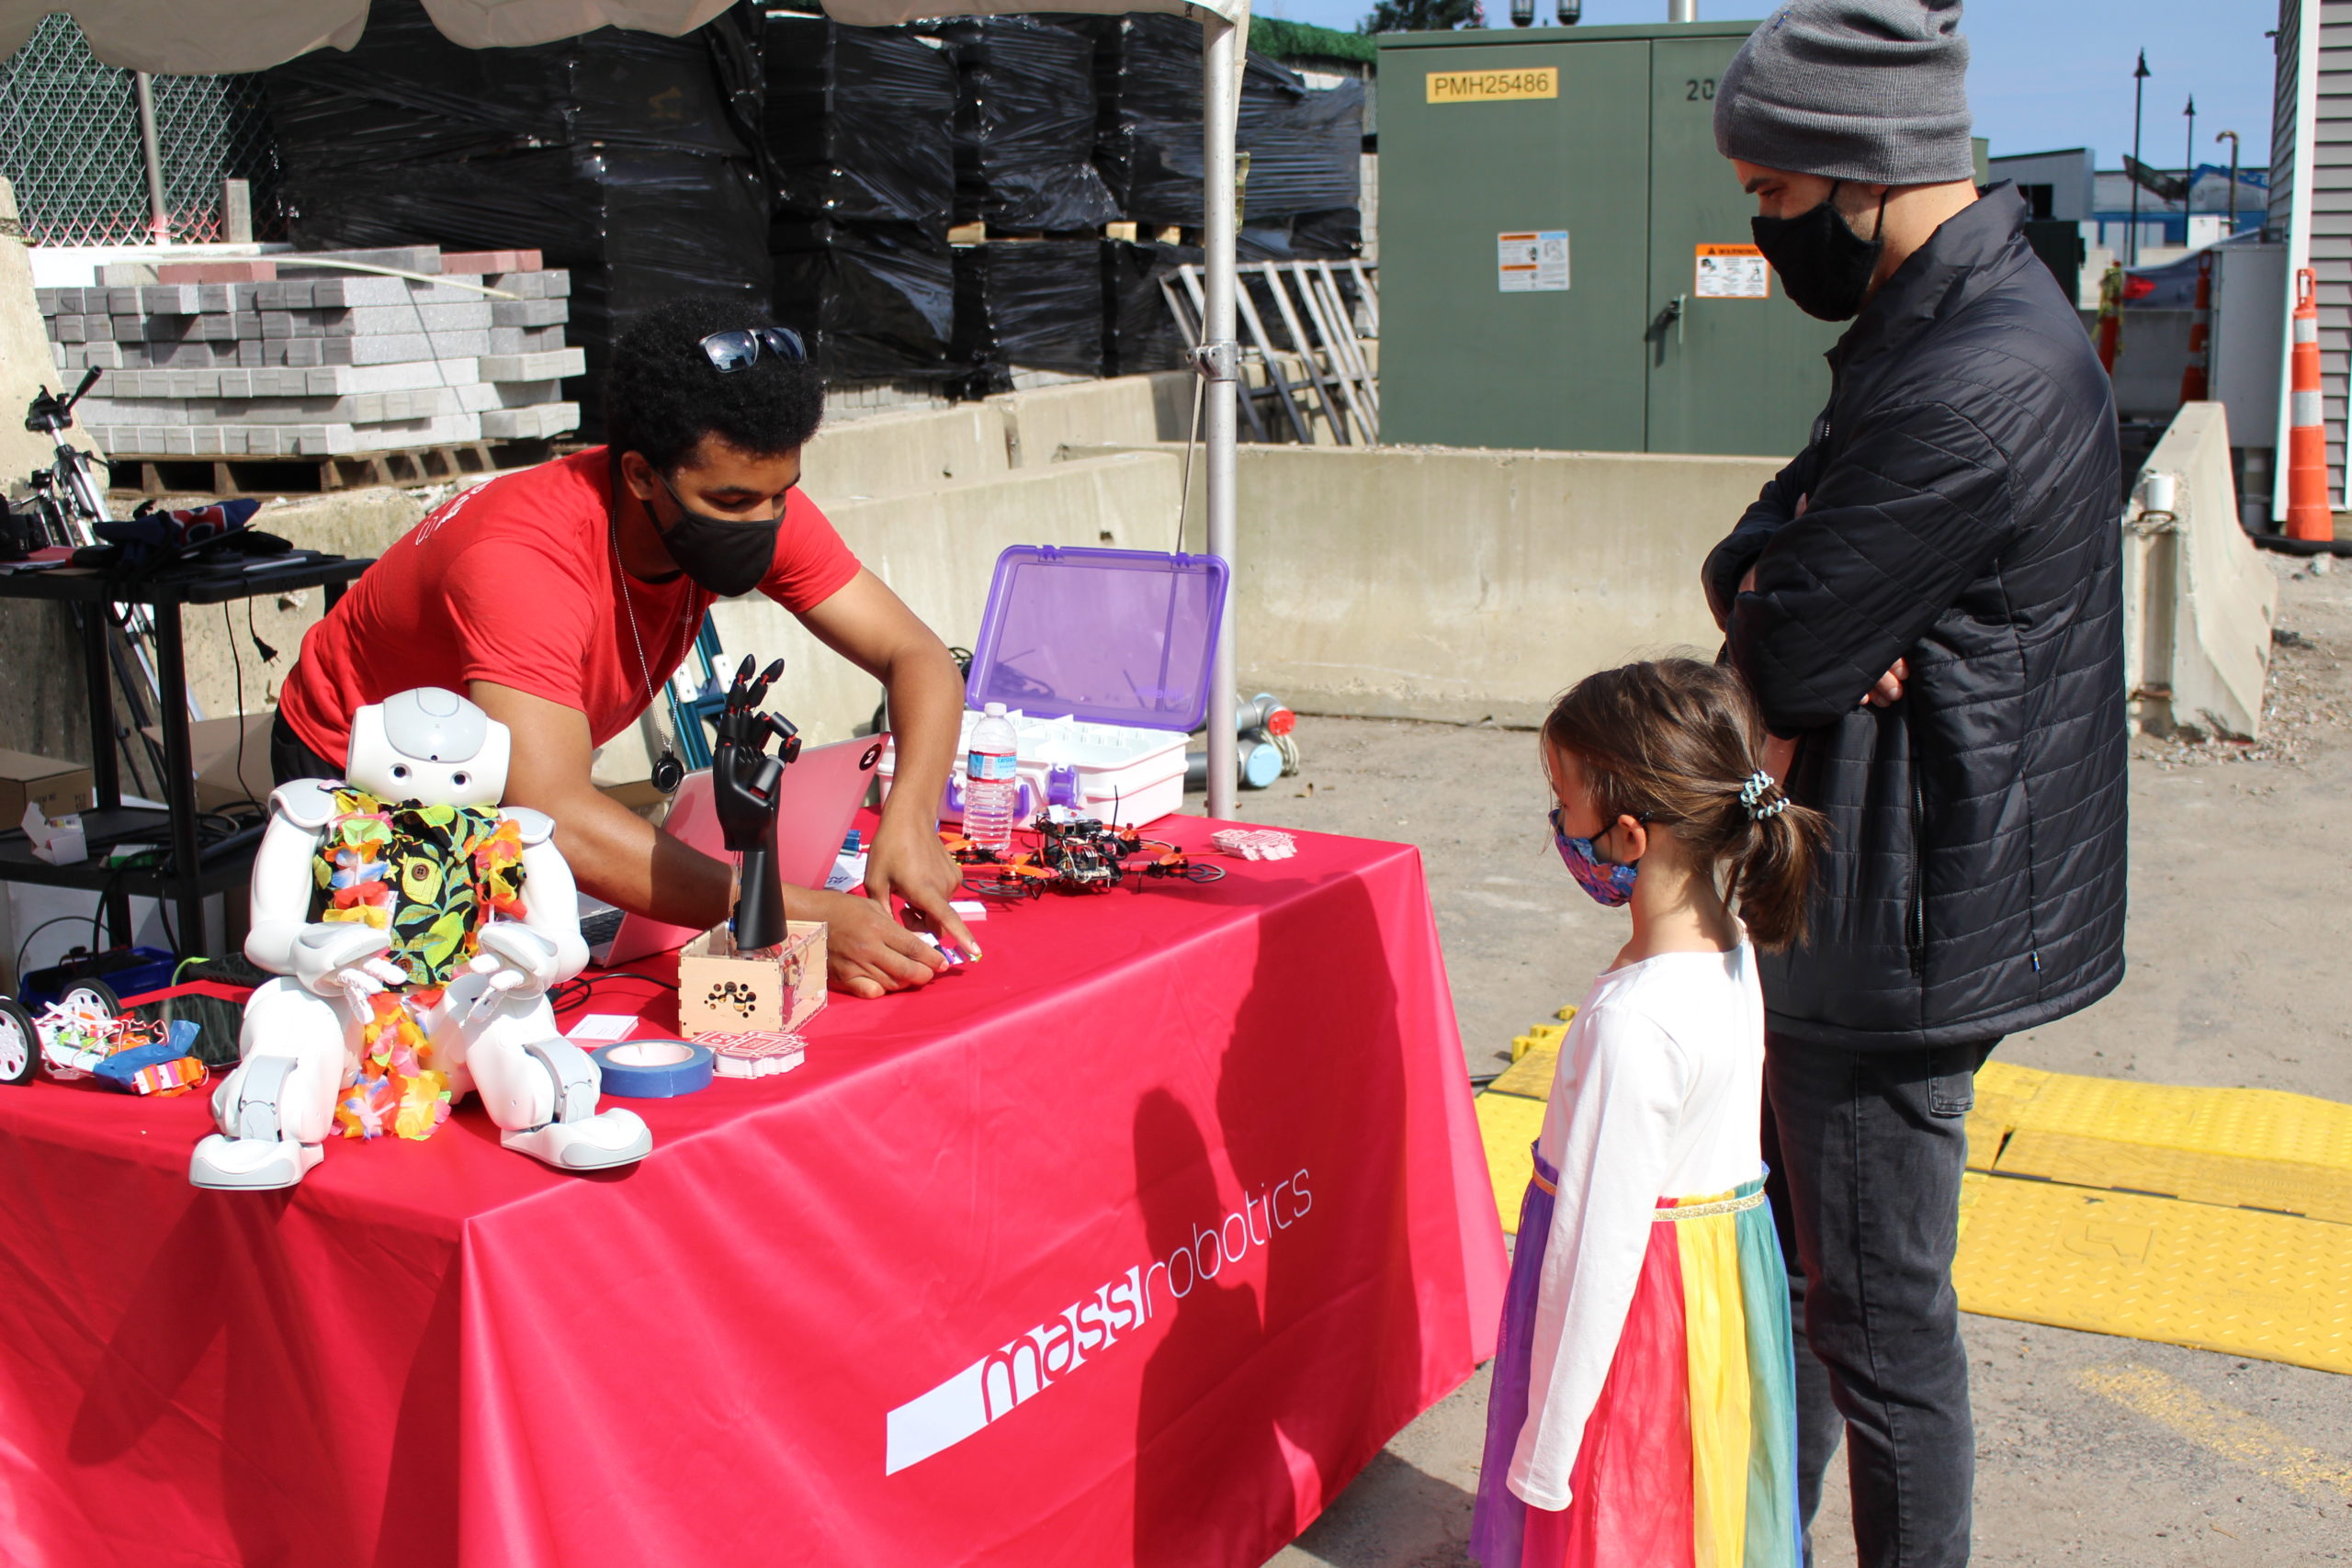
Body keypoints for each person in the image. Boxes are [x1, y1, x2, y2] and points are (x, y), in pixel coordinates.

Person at [1702, 4, 2126, 1564]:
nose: (1758, 227)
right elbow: (1754, 559)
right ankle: (1767, 1541)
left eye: (1773, 194)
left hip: (1898, 927)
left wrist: (1789, 619)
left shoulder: (1972, 375)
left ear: (1865, 167)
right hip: (1863, 886)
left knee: (1881, 1332)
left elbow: (1787, 649)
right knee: (1823, 1285)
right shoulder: (1936, 319)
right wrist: (1780, 597)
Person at [271, 297, 977, 998]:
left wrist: (910, 817)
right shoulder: (522, 562)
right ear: (642, 476)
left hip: (507, 776)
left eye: (781, 495)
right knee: (411, 1017)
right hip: (359, 774)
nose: (765, 523)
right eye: (733, 504)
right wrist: (796, 912)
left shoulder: (747, 494)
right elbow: (555, 816)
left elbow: (917, 657)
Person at [1472, 658, 1826, 1568]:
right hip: (1704, 1298)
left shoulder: (1634, 1024)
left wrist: (1544, 1456)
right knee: (1679, 1512)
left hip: (1629, 1325)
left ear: (1627, 835)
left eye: (1564, 798)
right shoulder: (1729, 941)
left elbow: (1596, 1256)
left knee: (1611, 1513)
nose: (1557, 822)